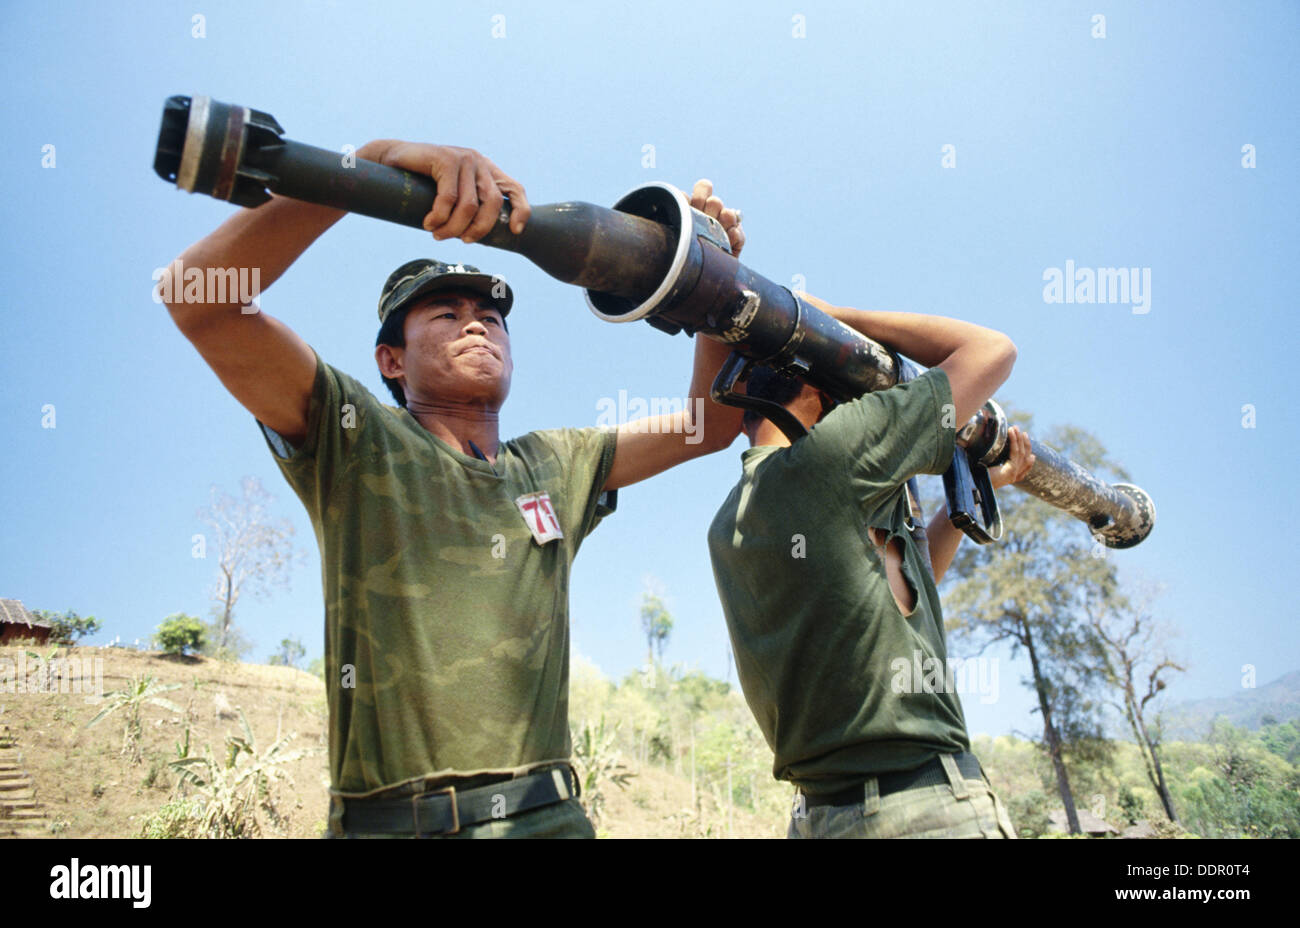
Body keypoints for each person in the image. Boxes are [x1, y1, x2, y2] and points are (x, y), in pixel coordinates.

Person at [160, 137, 746, 838]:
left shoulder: (558, 464)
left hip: (551, 818)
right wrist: (368, 167)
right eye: (444, 314)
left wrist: (713, 281)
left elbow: (711, 423)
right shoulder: (355, 438)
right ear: (391, 360)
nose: (476, 321)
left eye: (490, 316)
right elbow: (199, 299)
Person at [706, 290, 1033, 838]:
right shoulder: (834, 456)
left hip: (820, 818)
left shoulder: (729, 525)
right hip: (923, 810)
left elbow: (893, 594)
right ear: (824, 390)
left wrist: (973, 497)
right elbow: (992, 350)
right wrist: (837, 321)